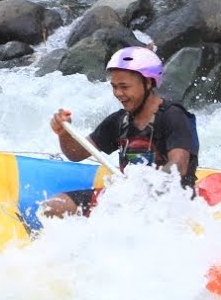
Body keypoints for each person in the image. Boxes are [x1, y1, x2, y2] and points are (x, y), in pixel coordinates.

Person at [42, 46, 199, 218]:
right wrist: (64, 133)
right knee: (52, 208)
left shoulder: (174, 116)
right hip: (128, 197)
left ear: (148, 83)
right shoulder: (119, 120)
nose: (118, 93)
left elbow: (178, 166)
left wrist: (143, 188)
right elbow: (76, 154)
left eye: (124, 87)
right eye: (114, 86)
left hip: (169, 202)